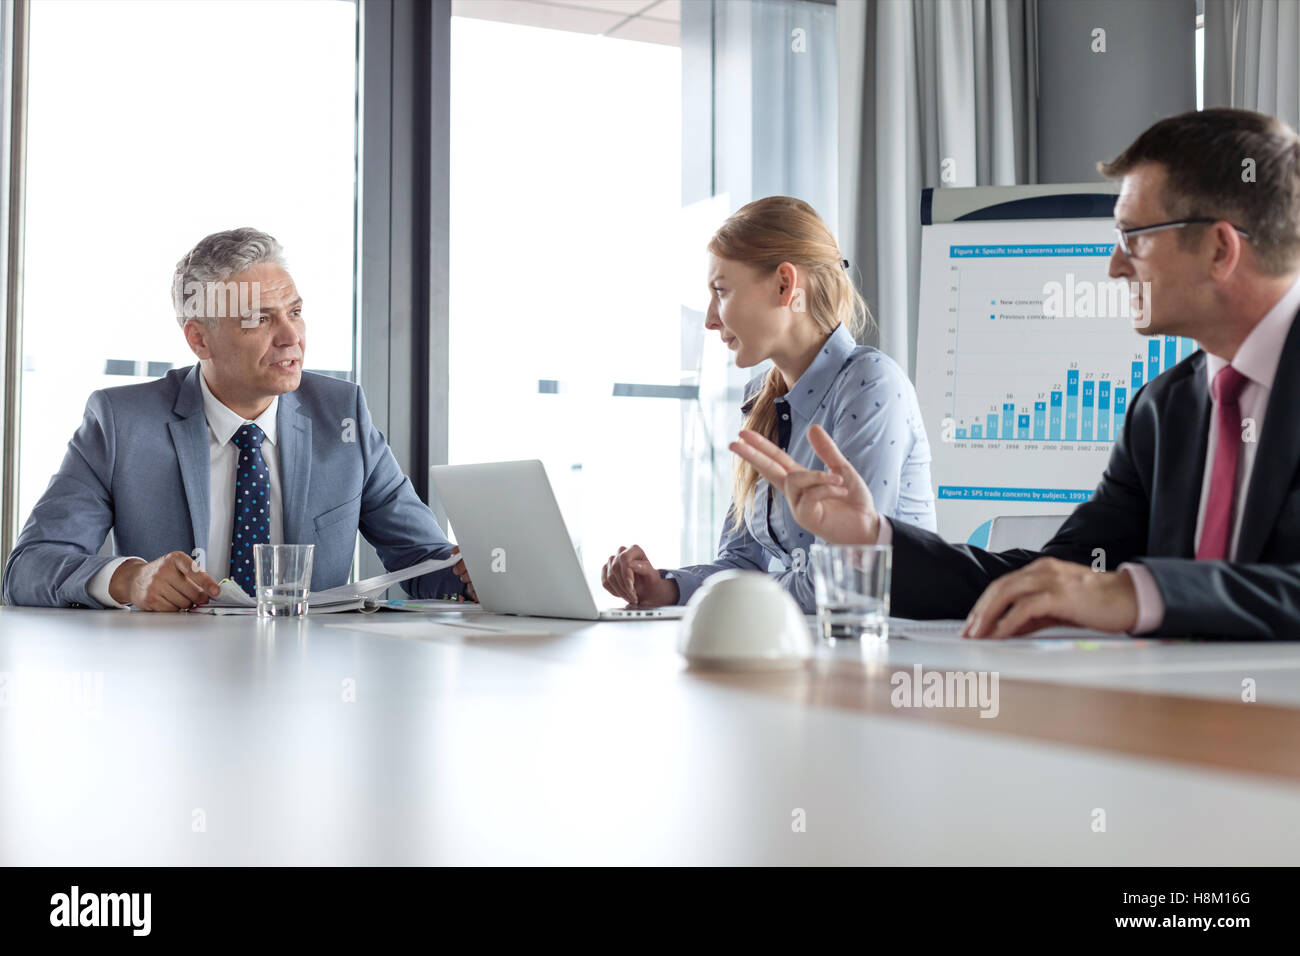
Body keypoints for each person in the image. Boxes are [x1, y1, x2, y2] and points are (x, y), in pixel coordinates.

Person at [731, 108, 1300, 641]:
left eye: (1134, 237)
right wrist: (874, 538)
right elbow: (1052, 576)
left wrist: (1137, 593)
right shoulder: (1164, 409)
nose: (1114, 264)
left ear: (1221, 249)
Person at [3, 227, 474, 611]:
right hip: (166, 683)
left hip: (312, 681)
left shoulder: (342, 416)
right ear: (199, 340)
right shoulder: (121, 423)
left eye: (295, 312)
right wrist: (128, 578)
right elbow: (29, 568)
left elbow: (423, 563)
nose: (291, 337)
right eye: (259, 319)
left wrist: (473, 577)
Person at [600, 196, 937, 613]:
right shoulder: (762, 400)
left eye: (721, 291)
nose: (709, 318)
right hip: (805, 650)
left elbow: (843, 580)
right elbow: (741, 563)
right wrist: (665, 589)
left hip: (888, 655)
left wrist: (728, 596)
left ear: (784, 285)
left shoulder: (871, 385)